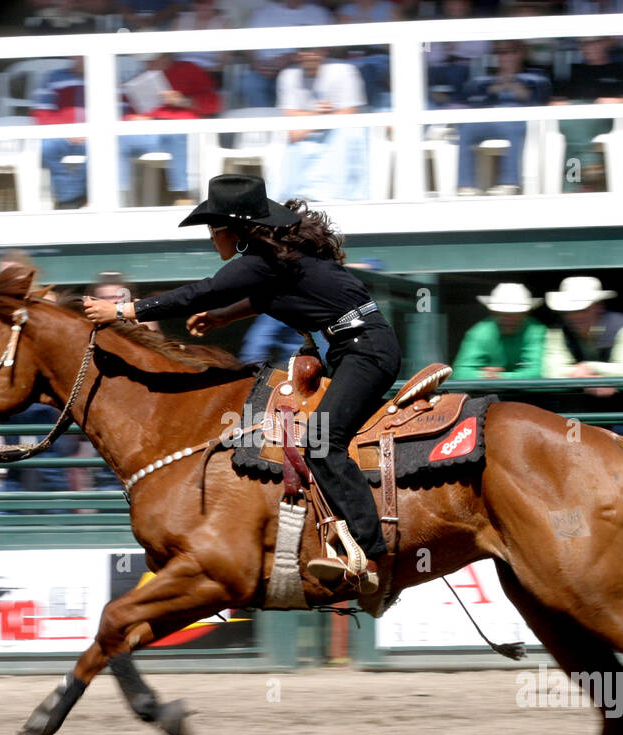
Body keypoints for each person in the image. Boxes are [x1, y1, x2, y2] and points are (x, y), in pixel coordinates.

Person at [82, 173, 400, 591]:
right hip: (357, 347)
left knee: (323, 444)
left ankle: (371, 556)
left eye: (213, 230)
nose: (212, 239)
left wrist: (124, 312)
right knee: (320, 439)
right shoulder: (279, 261)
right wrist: (223, 317)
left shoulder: (262, 262)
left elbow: (202, 291)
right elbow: (263, 297)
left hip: (365, 352)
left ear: (233, 229)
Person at [542, 276, 623, 436]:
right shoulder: (557, 331)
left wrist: (587, 368)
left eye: (581, 309)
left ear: (599, 307)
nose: (574, 316)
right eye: (568, 311)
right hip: (580, 399)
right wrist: (586, 380)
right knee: (577, 447)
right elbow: (550, 373)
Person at [119, 53, 219, 206]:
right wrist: (134, 119)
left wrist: (182, 101)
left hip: (182, 128)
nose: (148, 64)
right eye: (146, 61)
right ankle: (116, 194)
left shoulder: (189, 69)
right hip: (149, 130)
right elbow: (129, 112)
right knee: (115, 139)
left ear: (166, 57)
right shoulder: (141, 78)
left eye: (152, 60)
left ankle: (183, 194)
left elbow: (213, 105)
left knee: (178, 133)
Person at [272, 48, 369, 202]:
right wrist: (317, 116)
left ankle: (337, 196)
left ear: (324, 51)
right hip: (307, 132)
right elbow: (290, 117)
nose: (307, 54)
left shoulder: (344, 71)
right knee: (293, 140)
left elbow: (350, 112)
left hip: (335, 130)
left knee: (349, 132)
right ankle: (296, 197)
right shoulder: (288, 75)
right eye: (302, 50)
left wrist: (313, 122)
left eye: (311, 49)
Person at [456, 40, 551, 196]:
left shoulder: (535, 76)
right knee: (465, 129)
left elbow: (541, 99)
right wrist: (493, 89)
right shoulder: (485, 79)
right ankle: (466, 185)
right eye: (500, 52)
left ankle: (509, 182)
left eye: (510, 52)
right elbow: (472, 100)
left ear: (521, 53)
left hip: (518, 119)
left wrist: (517, 88)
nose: (504, 57)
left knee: (513, 127)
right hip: (489, 118)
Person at [550, 36, 623, 192]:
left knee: (571, 130)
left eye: (593, 42)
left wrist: (608, 101)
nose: (587, 47)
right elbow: (556, 101)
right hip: (576, 118)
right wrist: (569, 105)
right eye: (584, 44)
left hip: (606, 119)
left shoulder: (618, 69)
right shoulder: (574, 70)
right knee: (571, 126)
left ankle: (573, 182)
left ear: (605, 43)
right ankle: (589, 164)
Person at [239, 0, 333, 109]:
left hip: (300, 68)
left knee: (291, 79)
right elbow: (247, 46)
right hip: (264, 70)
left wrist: (289, 59)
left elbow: (322, 50)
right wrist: (256, 64)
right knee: (250, 82)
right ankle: (264, 121)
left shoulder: (318, 13)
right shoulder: (261, 13)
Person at [451, 282, 547, 381]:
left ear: (526, 314)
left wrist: (498, 377)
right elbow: (459, 373)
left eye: (515, 313)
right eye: (502, 313)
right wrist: (488, 377)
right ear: (493, 313)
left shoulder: (536, 330)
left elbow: (538, 373)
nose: (508, 318)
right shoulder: (480, 332)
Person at [33, 60, 89, 209]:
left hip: (95, 135)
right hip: (62, 134)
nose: (81, 59)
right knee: (46, 148)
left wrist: (90, 133)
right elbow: (41, 113)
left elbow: (118, 112)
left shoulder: (106, 76)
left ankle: (86, 195)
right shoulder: (54, 78)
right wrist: (67, 131)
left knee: (105, 148)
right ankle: (69, 199)